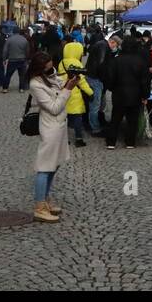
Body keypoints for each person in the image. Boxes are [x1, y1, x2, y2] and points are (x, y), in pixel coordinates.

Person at [28, 51, 76, 223]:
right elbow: (54, 107)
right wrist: (67, 90)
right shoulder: (35, 84)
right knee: (45, 167)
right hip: (50, 128)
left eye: (51, 66)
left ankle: (45, 199)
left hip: (60, 127)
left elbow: (59, 84)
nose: (51, 70)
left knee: (54, 165)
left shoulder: (49, 77)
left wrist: (68, 81)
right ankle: (39, 207)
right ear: (40, 69)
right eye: (48, 68)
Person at [106, 35, 151, 149]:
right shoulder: (141, 62)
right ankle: (130, 142)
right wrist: (145, 95)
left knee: (116, 118)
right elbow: (145, 81)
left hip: (119, 93)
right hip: (135, 94)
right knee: (132, 120)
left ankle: (111, 142)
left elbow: (110, 78)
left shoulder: (116, 60)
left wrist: (112, 88)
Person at [57, 37, 94, 147]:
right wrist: (90, 92)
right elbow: (81, 81)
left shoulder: (62, 62)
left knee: (64, 117)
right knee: (77, 117)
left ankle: (64, 139)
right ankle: (78, 138)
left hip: (64, 91)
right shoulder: (77, 63)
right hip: (75, 92)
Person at [85, 29, 112, 134]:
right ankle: (95, 128)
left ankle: (98, 122)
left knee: (100, 103)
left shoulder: (101, 45)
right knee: (95, 105)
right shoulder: (103, 46)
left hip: (96, 78)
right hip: (95, 78)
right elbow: (101, 64)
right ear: (112, 42)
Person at [2, 28, 31, 93]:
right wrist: (27, 59)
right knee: (22, 75)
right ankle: (21, 88)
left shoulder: (9, 40)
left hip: (12, 60)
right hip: (22, 60)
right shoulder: (24, 40)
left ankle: (5, 88)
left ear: (13, 32)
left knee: (8, 75)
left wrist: (4, 59)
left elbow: (5, 50)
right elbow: (27, 51)